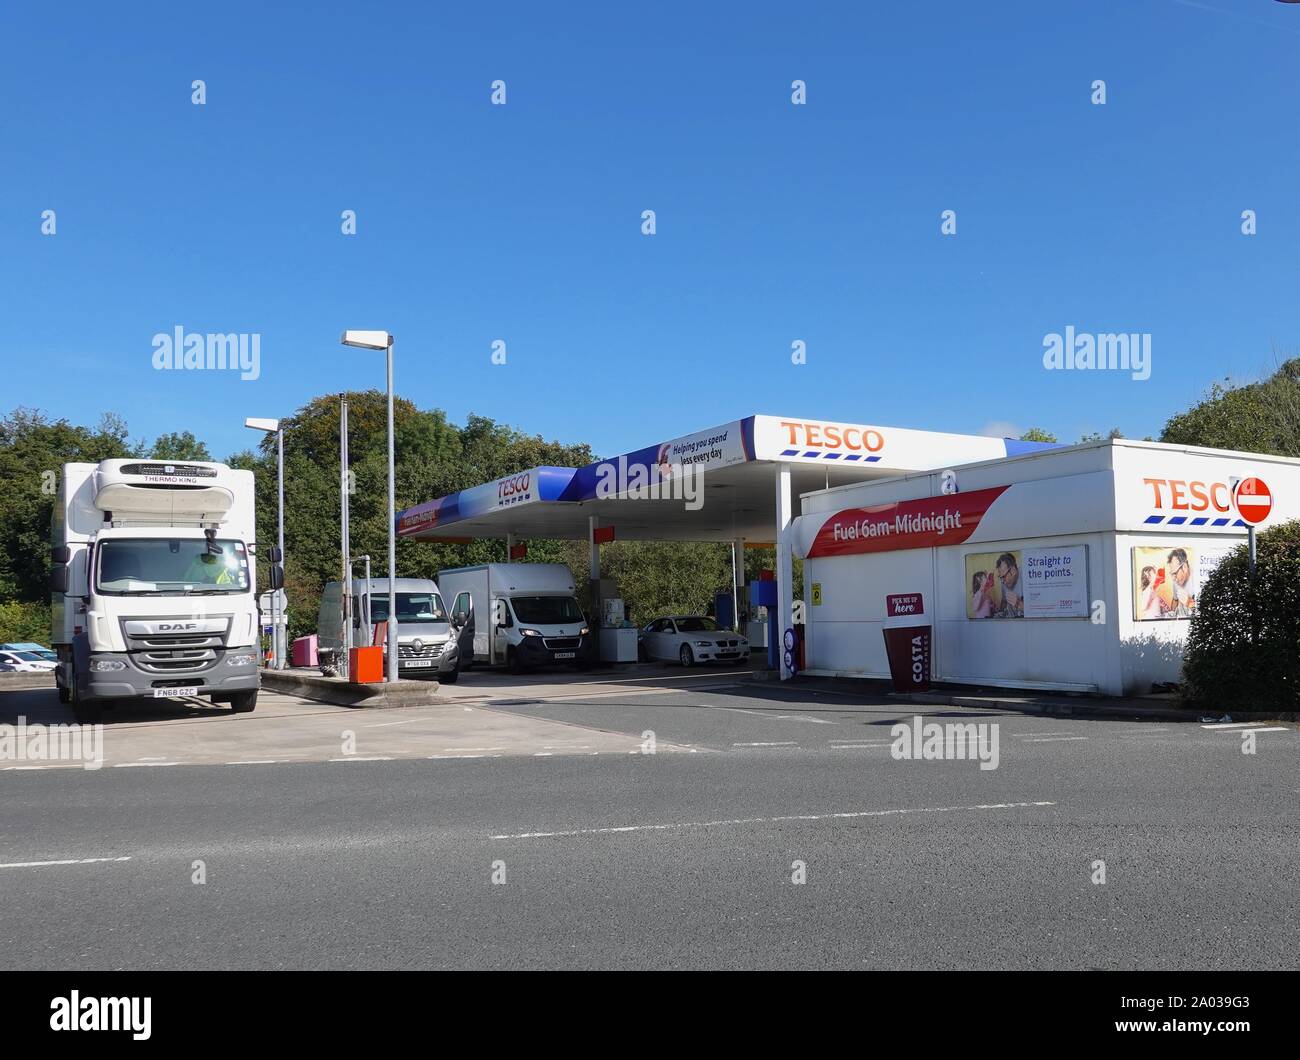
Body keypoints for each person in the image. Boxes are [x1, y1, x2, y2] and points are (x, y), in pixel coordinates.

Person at [1164, 548, 1197, 618]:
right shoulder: (1175, 580)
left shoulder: (1198, 579)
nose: (1173, 578)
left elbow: (1207, 610)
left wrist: (1189, 603)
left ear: (1184, 567)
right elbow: (1175, 600)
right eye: (1171, 574)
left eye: (1175, 573)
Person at [994, 553, 1024, 618]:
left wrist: (1019, 604)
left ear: (1013, 570)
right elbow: (1004, 602)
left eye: (1003, 577)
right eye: (1000, 577)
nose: (1002, 582)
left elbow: (1040, 609)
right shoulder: (1003, 582)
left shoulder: (1027, 575)